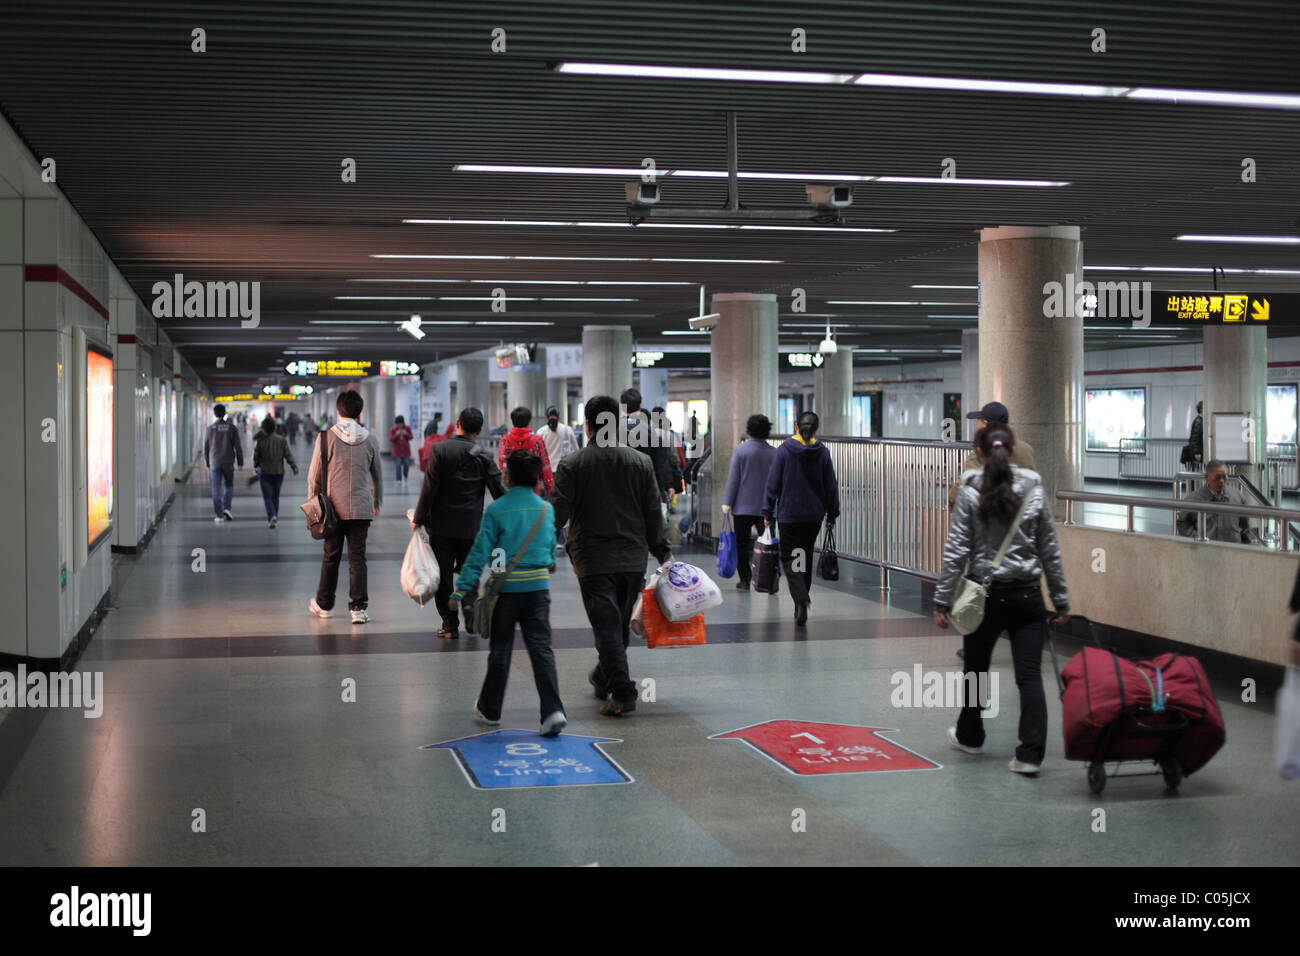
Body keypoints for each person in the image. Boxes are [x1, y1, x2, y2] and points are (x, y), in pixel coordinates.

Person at [934, 425, 1070, 775]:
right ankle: (1030, 754)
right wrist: (1061, 600)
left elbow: (956, 551)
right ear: (1011, 451)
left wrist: (942, 600)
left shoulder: (969, 490)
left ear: (979, 453)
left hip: (984, 596)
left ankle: (970, 736)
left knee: (975, 670)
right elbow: (1049, 551)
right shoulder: (1034, 489)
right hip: (1027, 595)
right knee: (1029, 676)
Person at [552, 395, 673, 717]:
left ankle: (623, 692)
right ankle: (603, 676)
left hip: (592, 559)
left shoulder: (573, 464)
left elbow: (557, 513)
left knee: (608, 627)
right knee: (616, 625)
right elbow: (652, 514)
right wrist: (663, 552)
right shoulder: (640, 462)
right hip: (633, 558)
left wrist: (542, 551)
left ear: (589, 425)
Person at [448, 450, 567, 736]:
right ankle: (552, 711)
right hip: (538, 590)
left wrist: (461, 589)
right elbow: (550, 547)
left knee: (500, 650)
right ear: (537, 478)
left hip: (505, 591)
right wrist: (546, 563)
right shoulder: (545, 509)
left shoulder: (497, 509)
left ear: (507, 476)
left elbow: (480, 552)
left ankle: (491, 709)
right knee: (541, 649)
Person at [413, 407, 507, 640]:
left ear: (457, 423)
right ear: (479, 429)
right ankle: (469, 605)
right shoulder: (484, 455)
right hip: (471, 526)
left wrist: (419, 519)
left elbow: (429, 488)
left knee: (443, 576)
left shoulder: (439, 450)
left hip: (442, 526)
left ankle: (449, 624)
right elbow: (498, 490)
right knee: (470, 570)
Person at [307, 390, 383, 625]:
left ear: (338, 411)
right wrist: (376, 501)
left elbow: (314, 477)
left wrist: (313, 507)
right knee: (357, 558)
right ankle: (358, 608)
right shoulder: (370, 439)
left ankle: (324, 604)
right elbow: (377, 476)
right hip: (361, 507)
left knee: (331, 556)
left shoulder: (325, 438)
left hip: (332, 509)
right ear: (359, 412)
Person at [762, 411, 840, 627]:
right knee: (804, 557)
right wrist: (832, 513)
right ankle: (801, 602)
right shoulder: (822, 452)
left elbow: (773, 483)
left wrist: (767, 511)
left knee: (790, 558)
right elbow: (831, 487)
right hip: (813, 516)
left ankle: (801, 599)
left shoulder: (785, 451)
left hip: (789, 514)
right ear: (816, 429)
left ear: (796, 426)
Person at [722, 414, 778, 590]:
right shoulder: (774, 453)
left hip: (742, 508)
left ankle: (745, 579)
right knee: (768, 545)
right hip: (766, 509)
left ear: (749, 430)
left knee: (742, 545)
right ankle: (769, 579)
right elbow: (777, 482)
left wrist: (727, 502)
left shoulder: (741, 450)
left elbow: (734, 479)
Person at [948, 402, 1037, 508]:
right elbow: (1032, 484)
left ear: (985, 423)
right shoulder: (1026, 449)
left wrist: (951, 499)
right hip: (1020, 512)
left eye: (979, 421)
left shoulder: (981, 450)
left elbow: (966, 483)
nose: (977, 425)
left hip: (989, 513)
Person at [619, 388, 676, 504]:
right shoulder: (651, 432)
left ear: (622, 407)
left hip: (619, 489)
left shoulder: (612, 432)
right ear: (640, 406)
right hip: (645, 489)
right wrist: (669, 484)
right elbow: (661, 462)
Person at [1176, 460, 1252, 543]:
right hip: (1206, 548)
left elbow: (1245, 527)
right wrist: (1196, 538)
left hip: (1232, 548)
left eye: (1224, 477)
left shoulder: (1238, 497)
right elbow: (1182, 522)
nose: (1221, 481)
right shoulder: (1194, 499)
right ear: (1206, 477)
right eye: (1217, 477)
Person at [252, 415, 298, 528]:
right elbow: (288, 455)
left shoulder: (260, 441)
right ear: (275, 427)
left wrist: (256, 467)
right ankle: (275, 516)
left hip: (265, 473)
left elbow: (256, 457)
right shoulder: (281, 440)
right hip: (278, 473)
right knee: (275, 496)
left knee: (267, 497)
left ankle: (271, 516)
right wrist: (294, 467)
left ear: (263, 428)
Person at [497, 407, 555, 496]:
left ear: (513, 421)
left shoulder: (505, 440)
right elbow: (546, 468)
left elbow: (503, 466)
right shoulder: (537, 441)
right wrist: (550, 492)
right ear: (529, 421)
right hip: (533, 492)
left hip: (512, 491)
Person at [204, 403, 244, 523]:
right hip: (228, 461)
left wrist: (207, 463)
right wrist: (240, 462)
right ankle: (227, 508)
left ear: (215, 414)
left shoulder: (210, 429)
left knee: (216, 488)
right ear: (225, 413)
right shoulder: (232, 428)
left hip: (214, 462)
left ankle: (219, 515)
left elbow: (206, 447)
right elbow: (238, 446)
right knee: (229, 485)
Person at [535, 405, 579, 470]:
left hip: (546, 469)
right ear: (558, 418)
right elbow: (576, 450)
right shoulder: (567, 430)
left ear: (547, 418)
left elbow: (537, 453)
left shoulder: (540, 432)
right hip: (564, 468)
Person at [389, 415, 414, 488]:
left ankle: (405, 475)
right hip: (397, 451)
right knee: (398, 465)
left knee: (407, 464)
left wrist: (406, 434)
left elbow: (411, 437)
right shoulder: (393, 429)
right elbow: (391, 439)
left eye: (401, 423)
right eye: (398, 423)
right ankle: (398, 479)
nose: (399, 425)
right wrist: (396, 435)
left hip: (406, 450)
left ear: (403, 423)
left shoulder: (407, 428)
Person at [1183, 400, 1204, 469]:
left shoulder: (1200, 420)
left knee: (1196, 471)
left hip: (1197, 452)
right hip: (1196, 453)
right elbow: (1195, 438)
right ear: (1201, 409)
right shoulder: (1198, 422)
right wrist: (1197, 452)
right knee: (1195, 471)